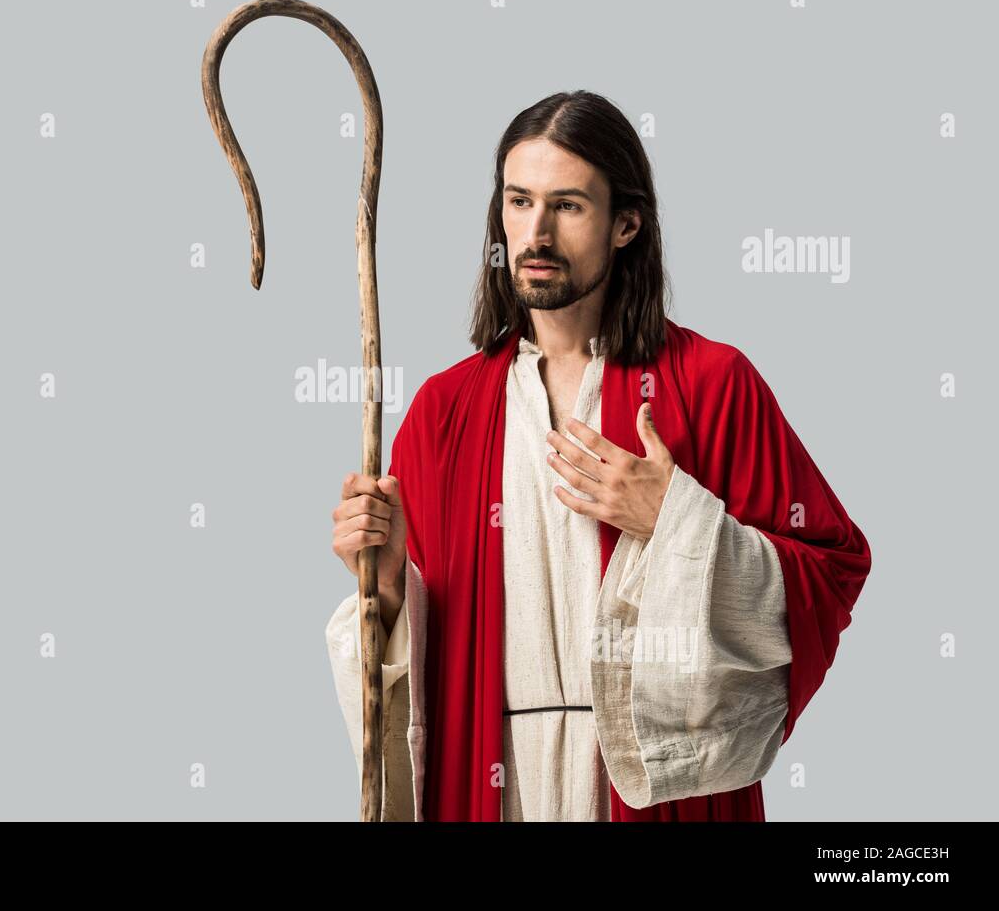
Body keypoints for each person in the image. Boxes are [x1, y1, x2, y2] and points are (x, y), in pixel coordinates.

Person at [325, 90, 872, 822]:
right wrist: (388, 587)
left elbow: (831, 573)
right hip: (493, 780)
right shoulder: (442, 413)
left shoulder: (713, 385)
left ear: (626, 223)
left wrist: (678, 520)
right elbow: (422, 655)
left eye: (569, 206)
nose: (537, 232)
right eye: (518, 202)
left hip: (648, 788)